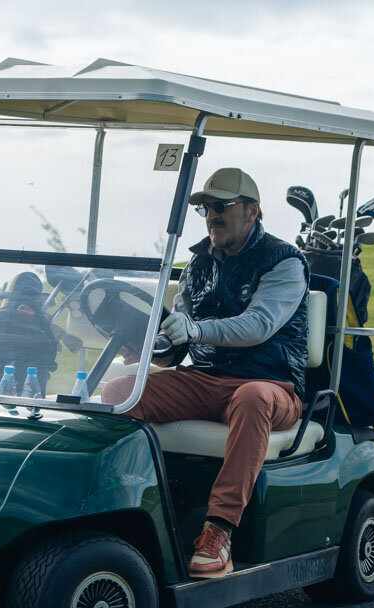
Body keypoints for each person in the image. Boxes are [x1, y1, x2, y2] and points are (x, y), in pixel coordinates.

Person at [101, 167, 309, 579]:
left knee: (252, 397)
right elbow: (180, 340)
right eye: (206, 208)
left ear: (252, 211)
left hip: (273, 383)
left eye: (221, 206)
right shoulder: (198, 264)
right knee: (120, 391)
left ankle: (219, 531)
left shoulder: (284, 262)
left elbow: (258, 326)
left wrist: (195, 330)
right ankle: (127, 513)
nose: (212, 215)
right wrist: (153, 349)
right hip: (206, 379)